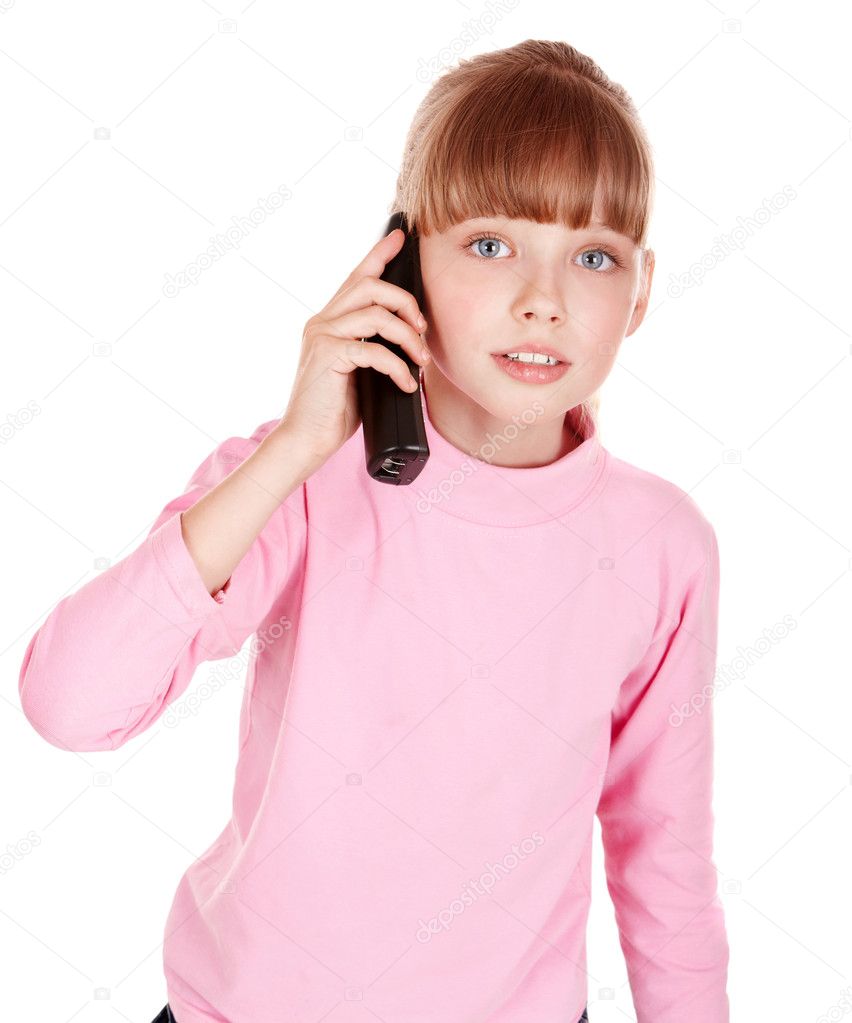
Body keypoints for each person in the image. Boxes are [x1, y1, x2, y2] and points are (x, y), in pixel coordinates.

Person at [17, 39, 729, 1023]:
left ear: (640, 291)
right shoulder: (301, 482)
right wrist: (298, 446)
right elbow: (71, 702)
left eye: (594, 257)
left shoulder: (661, 547)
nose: (543, 298)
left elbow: (668, 862)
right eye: (490, 244)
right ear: (400, 262)